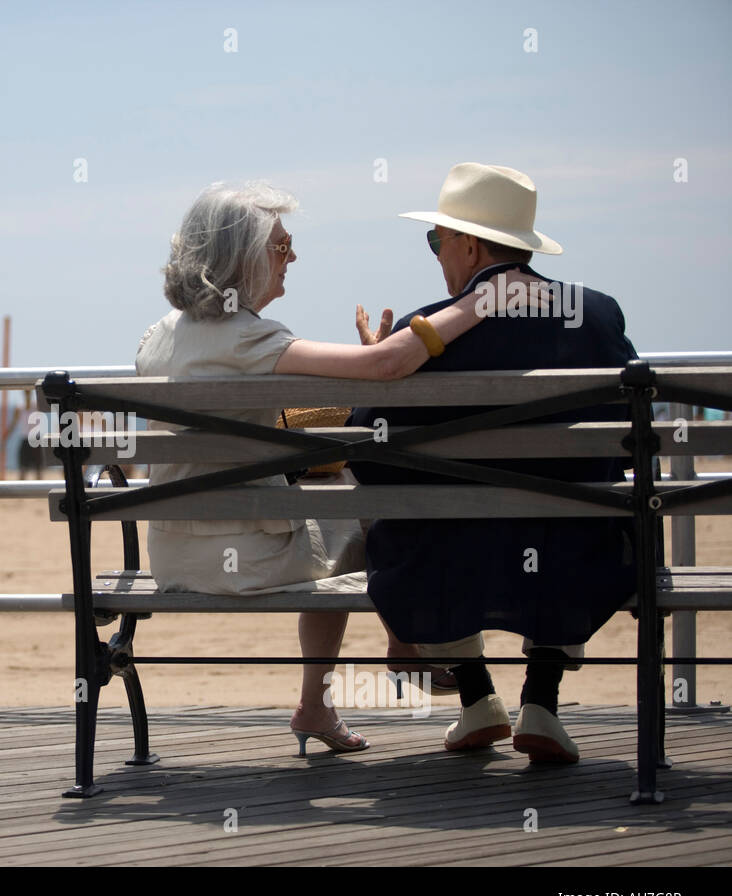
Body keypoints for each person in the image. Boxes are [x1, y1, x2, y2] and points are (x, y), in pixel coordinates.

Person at [137, 181, 493, 755]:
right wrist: (473, 306)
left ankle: (333, 696)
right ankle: (404, 651)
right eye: (281, 246)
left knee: (333, 496)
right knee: (370, 510)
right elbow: (383, 367)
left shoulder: (155, 338)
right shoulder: (250, 337)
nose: (293, 257)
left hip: (172, 553)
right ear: (243, 255)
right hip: (244, 561)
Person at [347, 163, 639, 763]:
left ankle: (478, 700)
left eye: (438, 240)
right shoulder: (599, 315)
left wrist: (375, 369)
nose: (435, 255)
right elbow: (627, 436)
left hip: (447, 561)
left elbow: (369, 457)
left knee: (418, 528)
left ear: (471, 246)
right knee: (571, 521)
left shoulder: (424, 332)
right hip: (575, 555)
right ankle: (542, 705)